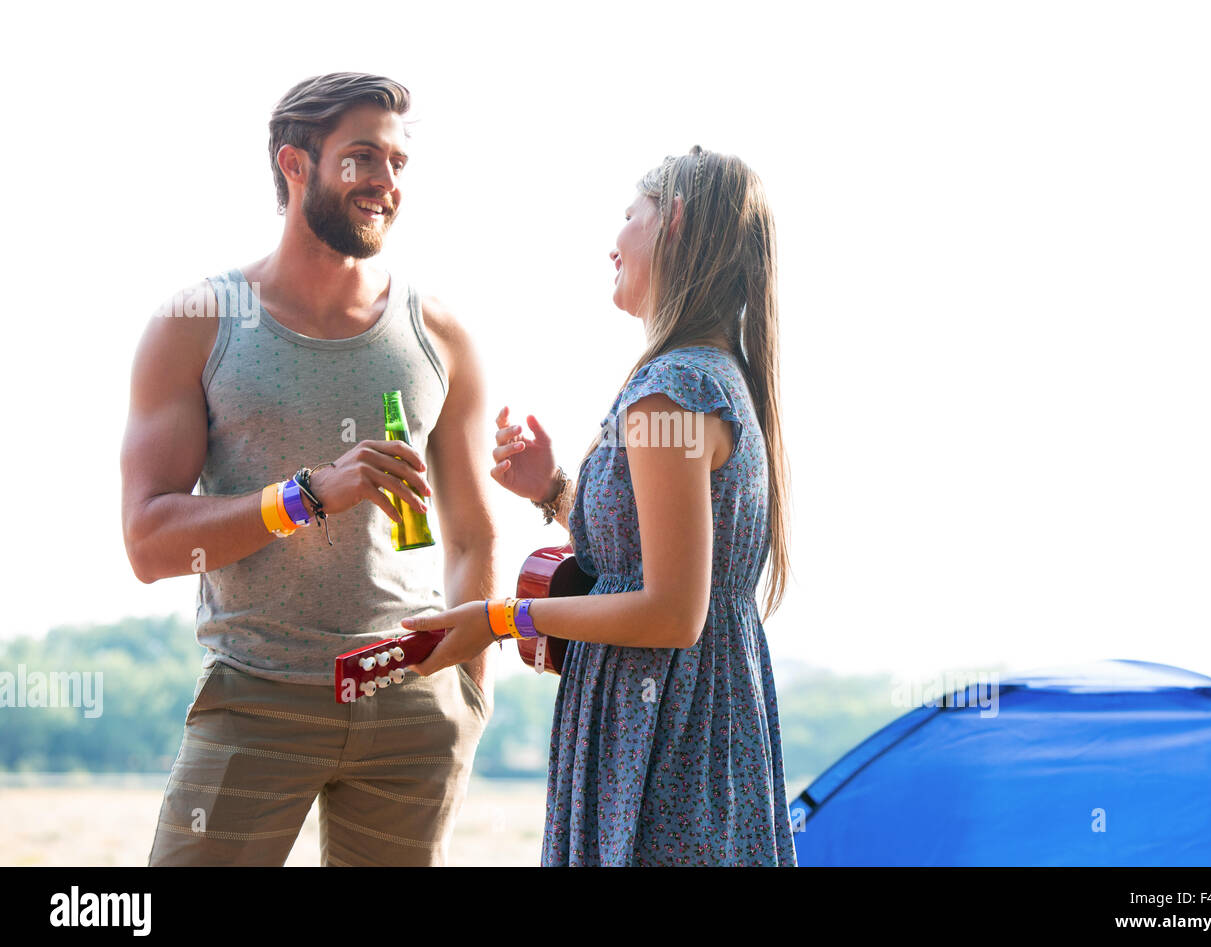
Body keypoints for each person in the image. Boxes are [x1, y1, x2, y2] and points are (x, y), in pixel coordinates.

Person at [120, 73, 497, 866]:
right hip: (257, 697)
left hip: (411, 699)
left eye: (399, 163)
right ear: (296, 165)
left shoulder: (441, 334)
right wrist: (309, 495)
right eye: (364, 159)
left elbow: (472, 533)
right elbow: (150, 541)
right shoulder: (200, 324)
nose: (388, 185)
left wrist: (466, 689)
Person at [403, 146, 796, 865]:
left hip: (660, 730)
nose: (611, 242)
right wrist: (554, 491)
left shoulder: (669, 389)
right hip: (712, 715)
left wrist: (497, 619)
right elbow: (660, 554)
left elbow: (673, 612)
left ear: (672, 221)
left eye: (628, 216)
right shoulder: (719, 377)